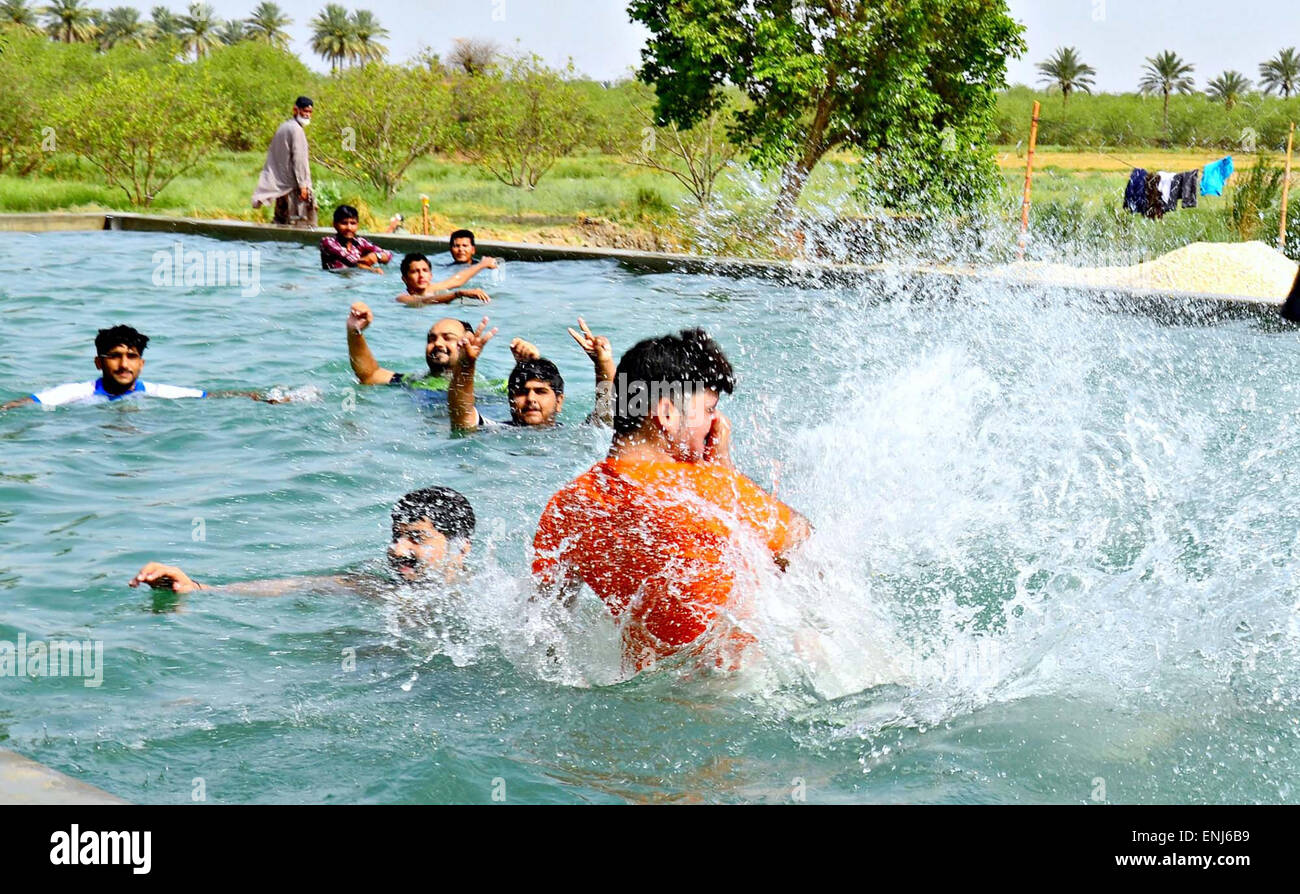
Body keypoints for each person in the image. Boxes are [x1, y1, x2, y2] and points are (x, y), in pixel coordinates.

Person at [531, 328, 812, 674]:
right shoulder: (704, 489)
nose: (716, 424)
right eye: (708, 410)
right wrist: (725, 471)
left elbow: (543, 626)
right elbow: (806, 550)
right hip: (730, 689)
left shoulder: (568, 506)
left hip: (639, 693)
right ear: (666, 413)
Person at [129, 486, 476, 597]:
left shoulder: (487, 599)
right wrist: (201, 588)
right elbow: (294, 584)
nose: (397, 549)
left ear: (461, 548)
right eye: (396, 536)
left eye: (416, 538)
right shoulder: (373, 588)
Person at [1, 325, 284, 410]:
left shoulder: (159, 392)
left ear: (141, 363)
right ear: (99, 362)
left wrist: (261, 397)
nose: (124, 364)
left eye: (132, 357)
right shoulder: (77, 393)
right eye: (115, 356)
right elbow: (26, 403)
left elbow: (209, 397)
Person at [448, 317, 616, 430]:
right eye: (521, 392)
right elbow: (461, 413)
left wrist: (603, 363)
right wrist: (466, 364)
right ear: (510, 400)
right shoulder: (497, 431)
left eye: (541, 391)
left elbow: (614, 411)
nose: (531, 399)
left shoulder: (574, 435)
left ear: (559, 401)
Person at [345, 302, 505, 394]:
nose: (438, 344)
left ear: (468, 342)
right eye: (431, 339)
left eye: (448, 338)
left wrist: (529, 359)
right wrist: (354, 331)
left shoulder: (489, 387)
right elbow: (369, 375)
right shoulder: (413, 380)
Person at [252, 96, 317, 228]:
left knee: (281, 225)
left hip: (282, 188)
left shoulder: (284, 127)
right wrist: (303, 186)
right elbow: (299, 160)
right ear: (295, 110)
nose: (307, 115)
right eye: (305, 111)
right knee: (300, 226)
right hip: (294, 188)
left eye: (310, 112)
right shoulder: (296, 130)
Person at [394, 253, 493, 307]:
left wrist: (482, 264)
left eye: (424, 270)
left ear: (431, 275)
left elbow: (457, 280)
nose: (421, 275)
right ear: (405, 279)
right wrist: (458, 294)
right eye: (415, 271)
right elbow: (424, 300)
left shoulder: (432, 289)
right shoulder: (402, 298)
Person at [320, 205, 393, 272]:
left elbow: (388, 254)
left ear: (357, 225)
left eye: (353, 223)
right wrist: (372, 269)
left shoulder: (360, 243)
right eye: (344, 223)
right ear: (335, 225)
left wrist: (377, 256)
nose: (349, 228)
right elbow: (351, 261)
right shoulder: (328, 242)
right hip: (334, 281)